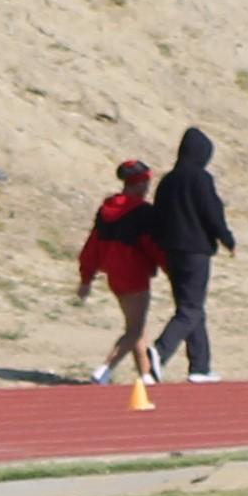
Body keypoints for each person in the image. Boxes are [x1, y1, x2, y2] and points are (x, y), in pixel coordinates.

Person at [146, 126, 234, 383]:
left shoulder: (168, 180)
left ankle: (200, 366)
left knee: (191, 307)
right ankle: (159, 352)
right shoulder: (201, 179)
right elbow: (212, 213)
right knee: (191, 308)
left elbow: (157, 216)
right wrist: (226, 239)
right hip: (196, 252)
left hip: (171, 251)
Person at [76, 159, 166, 387]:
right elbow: (153, 247)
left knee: (135, 326)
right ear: (140, 183)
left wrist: (86, 278)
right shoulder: (143, 212)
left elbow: (92, 245)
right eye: (147, 183)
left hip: (114, 276)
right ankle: (105, 370)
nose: (148, 188)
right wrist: (171, 268)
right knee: (134, 330)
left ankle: (145, 375)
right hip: (135, 275)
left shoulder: (106, 209)